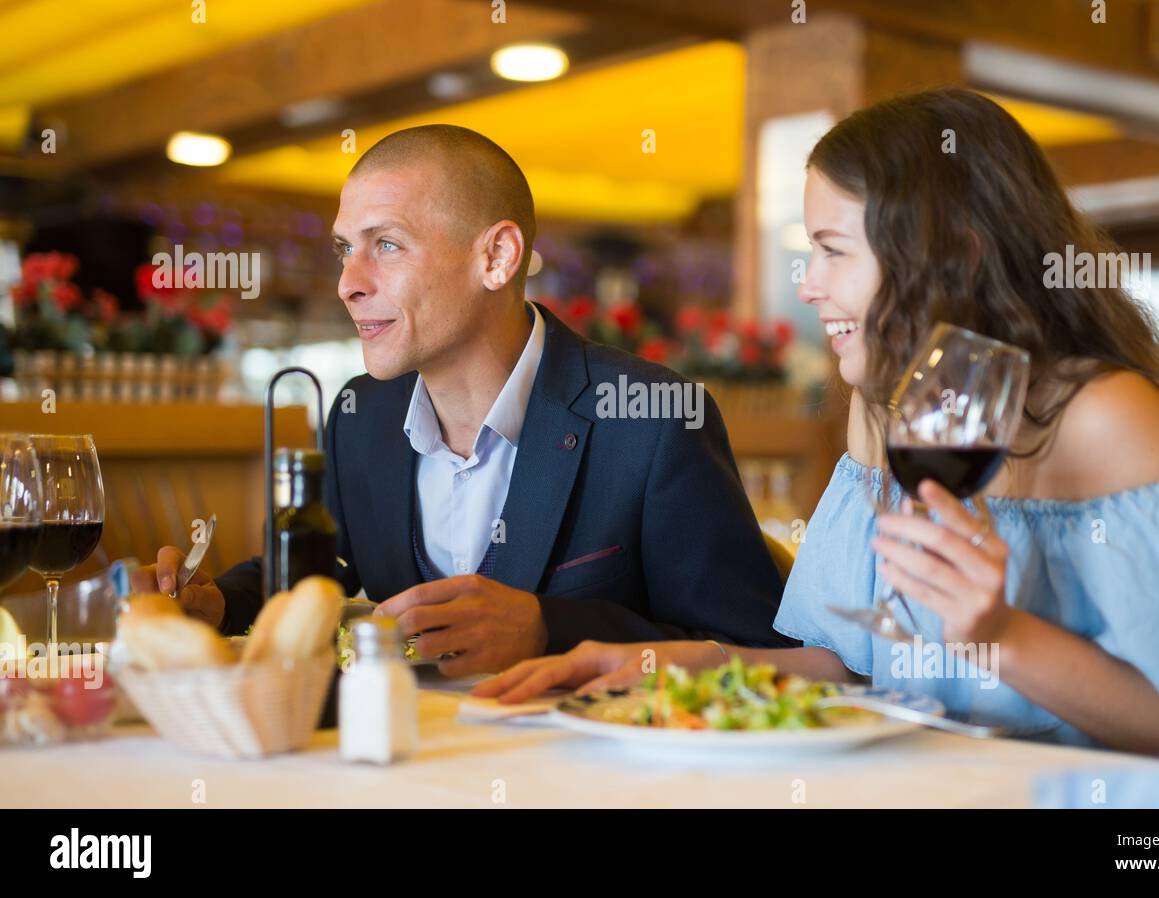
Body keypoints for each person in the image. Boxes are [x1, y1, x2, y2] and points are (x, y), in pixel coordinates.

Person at [475, 89, 1159, 780]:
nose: (807, 285)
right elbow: (856, 665)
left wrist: (1002, 636)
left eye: (832, 250)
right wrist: (664, 665)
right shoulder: (889, 408)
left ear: (957, 257)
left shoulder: (1106, 420)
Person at [132, 124, 792, 675]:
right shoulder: (363, 414)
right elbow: (325, 565)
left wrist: (548, 628)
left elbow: (759, 655)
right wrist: (219, 603)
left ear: (498, 258)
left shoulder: (651, 420)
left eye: (385, 246)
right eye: (344, 251)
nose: (348, 284)